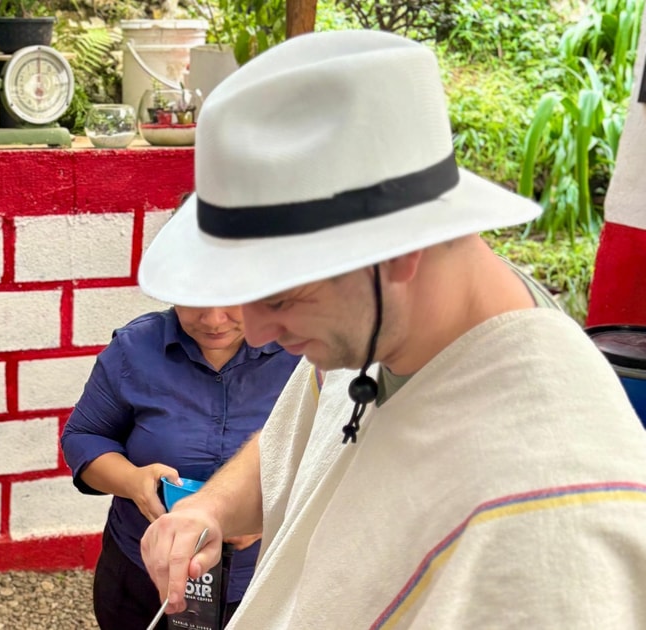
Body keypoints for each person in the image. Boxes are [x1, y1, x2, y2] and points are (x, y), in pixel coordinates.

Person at [135, 29, 646, 629]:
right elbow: (294, 445)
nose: (259, 334)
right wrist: (209, 509)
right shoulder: (381, 322)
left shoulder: (552, 524)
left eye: (278, 296)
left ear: (402, 248)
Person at [60, 305, 299, 628]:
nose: (214, 320)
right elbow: (84, 437)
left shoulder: (306, 352)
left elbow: (337, 455)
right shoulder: (136, 347)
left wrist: (271, 513)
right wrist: (132, 481)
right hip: (141, 572)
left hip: (265, 576)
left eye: (232, 300)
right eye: (196, 302)